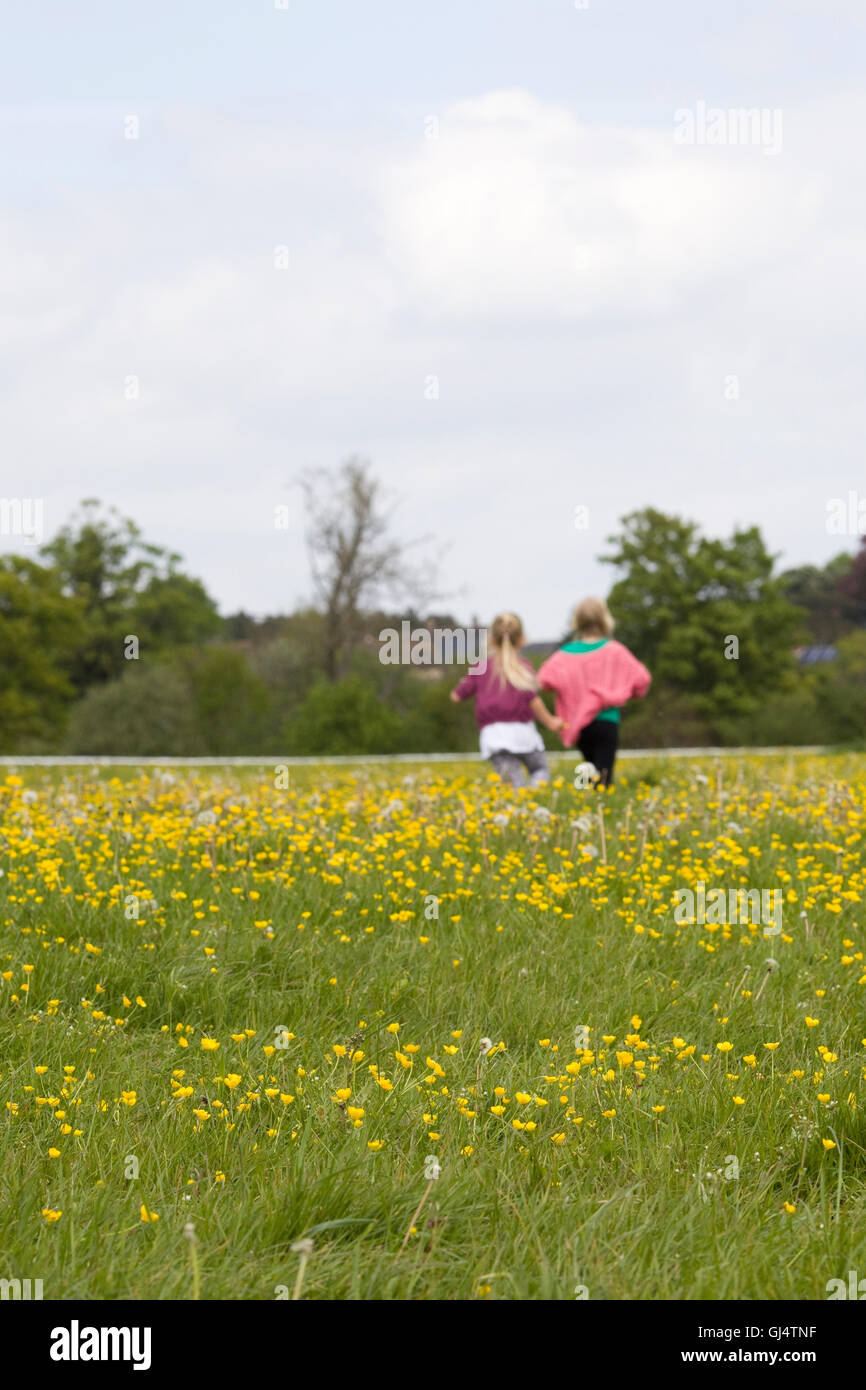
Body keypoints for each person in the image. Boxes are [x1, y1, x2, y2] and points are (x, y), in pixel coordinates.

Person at [537, 597, 651, 786]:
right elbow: (642, 680)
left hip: (579, 725)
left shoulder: (564, 654)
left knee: (590, 767)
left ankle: (591, 801)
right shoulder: (615, 651)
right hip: (607, 720)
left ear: (577, 622)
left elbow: (543, 682)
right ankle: (599, 805)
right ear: (605, 620)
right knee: (604, 771)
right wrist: (628, 692)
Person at [450, 611, 565, 787]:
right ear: (521, 640)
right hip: (524, 735)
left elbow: (457, 696)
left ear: (491, 640)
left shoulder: (480, 667)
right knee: (539, 771)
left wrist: (462, 685)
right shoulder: (523, 666)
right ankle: (533, 796)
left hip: (495, 737)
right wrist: (550, 722)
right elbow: (534, 700)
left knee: (514, 784)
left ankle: (522, 804)